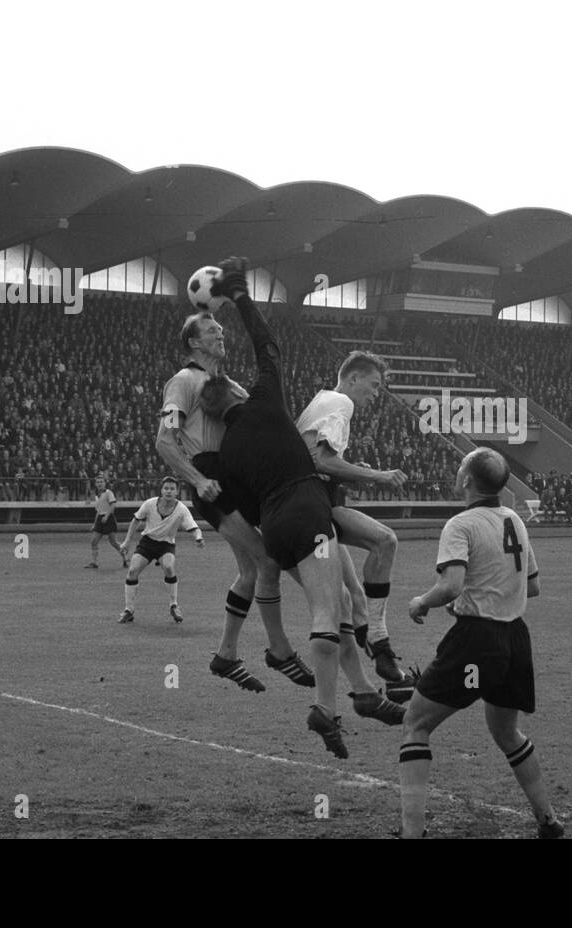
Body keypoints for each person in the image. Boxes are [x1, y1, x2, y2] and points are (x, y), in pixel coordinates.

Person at [198, 259, 386, 758]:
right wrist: (240, 295)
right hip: (306, 508)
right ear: (237, 393)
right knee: (330, 609)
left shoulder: (227, 454)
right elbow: (268, 347)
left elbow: (234, 502)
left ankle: (364, 691)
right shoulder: (263, 399)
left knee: (342, 604)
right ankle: (326, 708)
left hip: (274, 528)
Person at [397, 447, 564, 839]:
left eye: (460, 468)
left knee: (416, 723)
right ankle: (549, 821)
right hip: (514, 641)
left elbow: (451, 584)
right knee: (507, 733)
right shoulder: (514, 521)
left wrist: (422, 602)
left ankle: (411, 833)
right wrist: (477, 597)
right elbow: (533, 586)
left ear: (468, 480)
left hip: (477, 643)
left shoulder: (461, 524)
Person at [157, 310, 312, 692]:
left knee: (251, 572)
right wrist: (197, 479)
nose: (221, 334)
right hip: (212, 479)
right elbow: (165, 440)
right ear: (194, 342)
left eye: (222, 329)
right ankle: (280, 650)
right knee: (267, 558)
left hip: (234, 477)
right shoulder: (183, 382)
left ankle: (226, 656)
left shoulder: (227, 385)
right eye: (212, 331)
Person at [295, 352, 409, 682]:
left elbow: (316, 458)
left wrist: (356, 472)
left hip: (312, 502)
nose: (376, 394)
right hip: (313, 506)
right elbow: (321, 462)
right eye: (374, 386)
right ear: (353, 378)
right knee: (385, 541)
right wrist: (378, 476)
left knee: (353, 596)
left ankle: (378, 671)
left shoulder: (322, 401)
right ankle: (378, 645)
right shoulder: (341, 403)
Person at [118, 476, 204, 624]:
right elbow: (136, 520)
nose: (168, 491)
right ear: (161, 490)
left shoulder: (181, 509)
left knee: (169, 567)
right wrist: (127, 541)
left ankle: (174, 605)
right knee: (132, 571)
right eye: (166, 488)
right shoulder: (150, 504)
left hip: (166, 545)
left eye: (172, 489)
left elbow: (193, 527)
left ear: (177, 492)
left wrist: (198, 537)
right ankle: (128, 610)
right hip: (147, 543)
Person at [86, 473, 127, 569]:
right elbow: (98, 511)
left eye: (101, 482)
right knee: (94, 541)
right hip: (100, 518)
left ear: (105, 483)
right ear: (95, 484)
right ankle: (94, 563)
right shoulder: (96, 496)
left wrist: (106, 516)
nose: (100, 484)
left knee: (113, 542)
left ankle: (125, 558)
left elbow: (113, 505)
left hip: (109, 518)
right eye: (98, 482)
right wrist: (95, 524)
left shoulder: (109, 493)